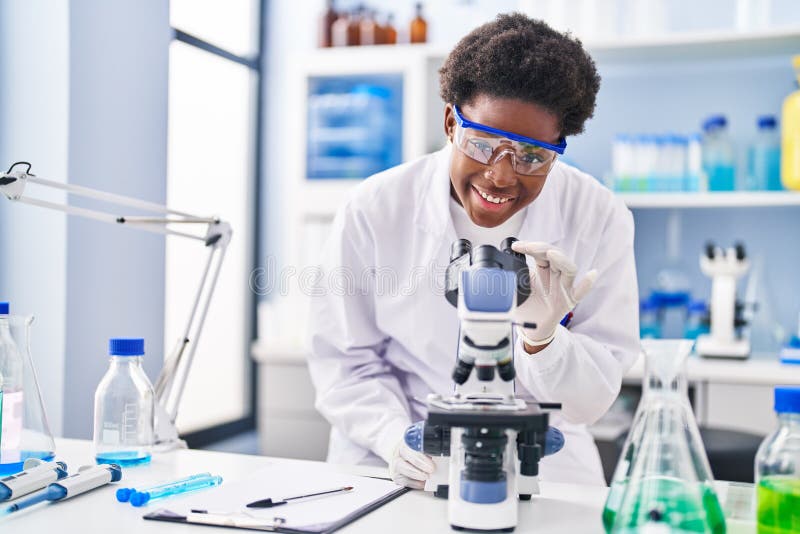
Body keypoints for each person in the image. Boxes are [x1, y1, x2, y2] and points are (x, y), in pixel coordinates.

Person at [307, 13, 639, 488]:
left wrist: (544, 341)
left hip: (542, 453)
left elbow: (591, 400)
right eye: (482, 143)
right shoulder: (375, 208)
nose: (501, 175)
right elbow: (345, 364)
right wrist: (394, 438)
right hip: (404, 446)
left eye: (532, 156)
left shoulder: (598, 216)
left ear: (556, 151)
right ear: (451, 123)